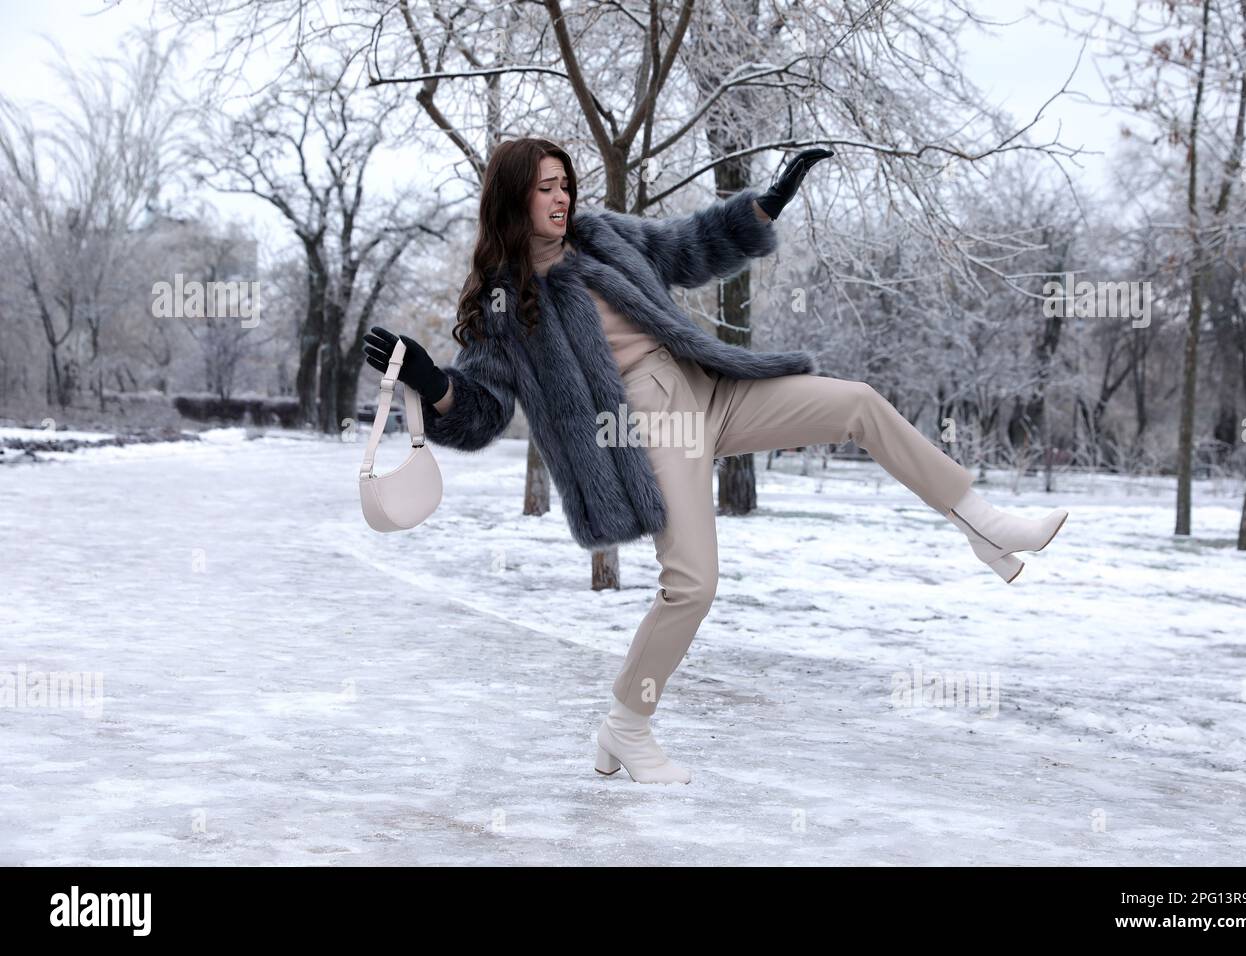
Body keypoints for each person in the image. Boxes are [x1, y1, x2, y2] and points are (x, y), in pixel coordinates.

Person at [363, 137, 1068, 786]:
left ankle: (979, 521)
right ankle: (626, 725)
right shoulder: (503, 305)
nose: (561, 199)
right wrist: (436, 386)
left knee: (855, 402)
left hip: (709, 384)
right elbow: (483, 409)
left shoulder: (602, 235)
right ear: (513, 199)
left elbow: (687, 246)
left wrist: (765, 205)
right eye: (545, 188)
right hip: (643, 420)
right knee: (693, 583)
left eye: (565, 185)